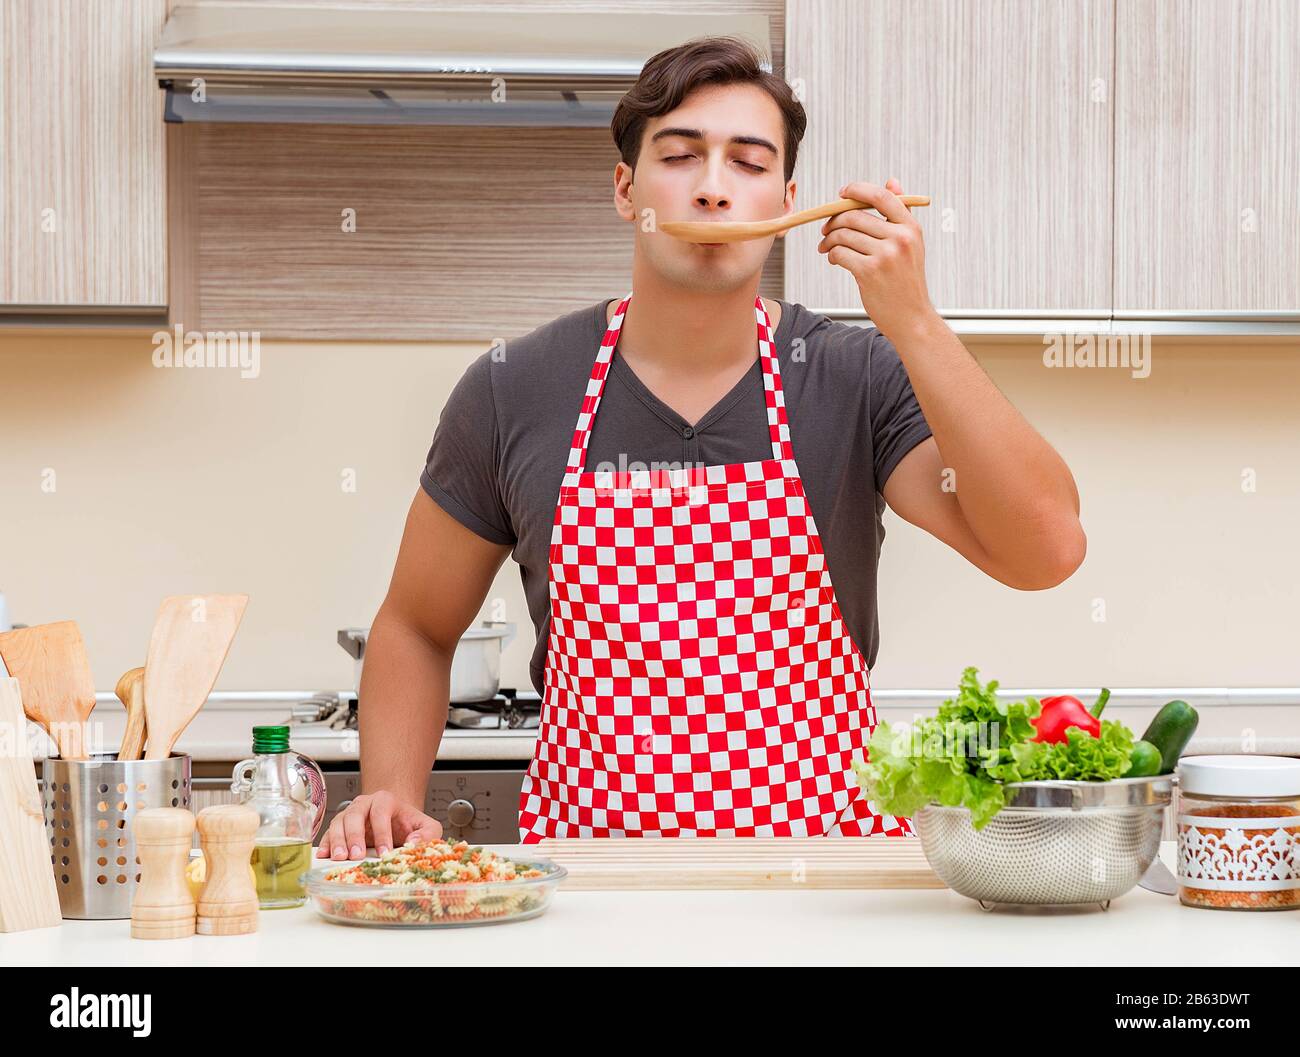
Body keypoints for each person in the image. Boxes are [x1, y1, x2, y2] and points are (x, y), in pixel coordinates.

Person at [317, 36, 1084, 858]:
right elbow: (416, 627)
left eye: (749, 165)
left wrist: (917, 323)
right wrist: (390, 795)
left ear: (789, 200)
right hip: (594, 892)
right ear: (626, 188)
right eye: (681, 156)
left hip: (827, 888)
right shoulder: (515, 387)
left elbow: (1045, 548)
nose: (715, 189)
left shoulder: (853, 377)